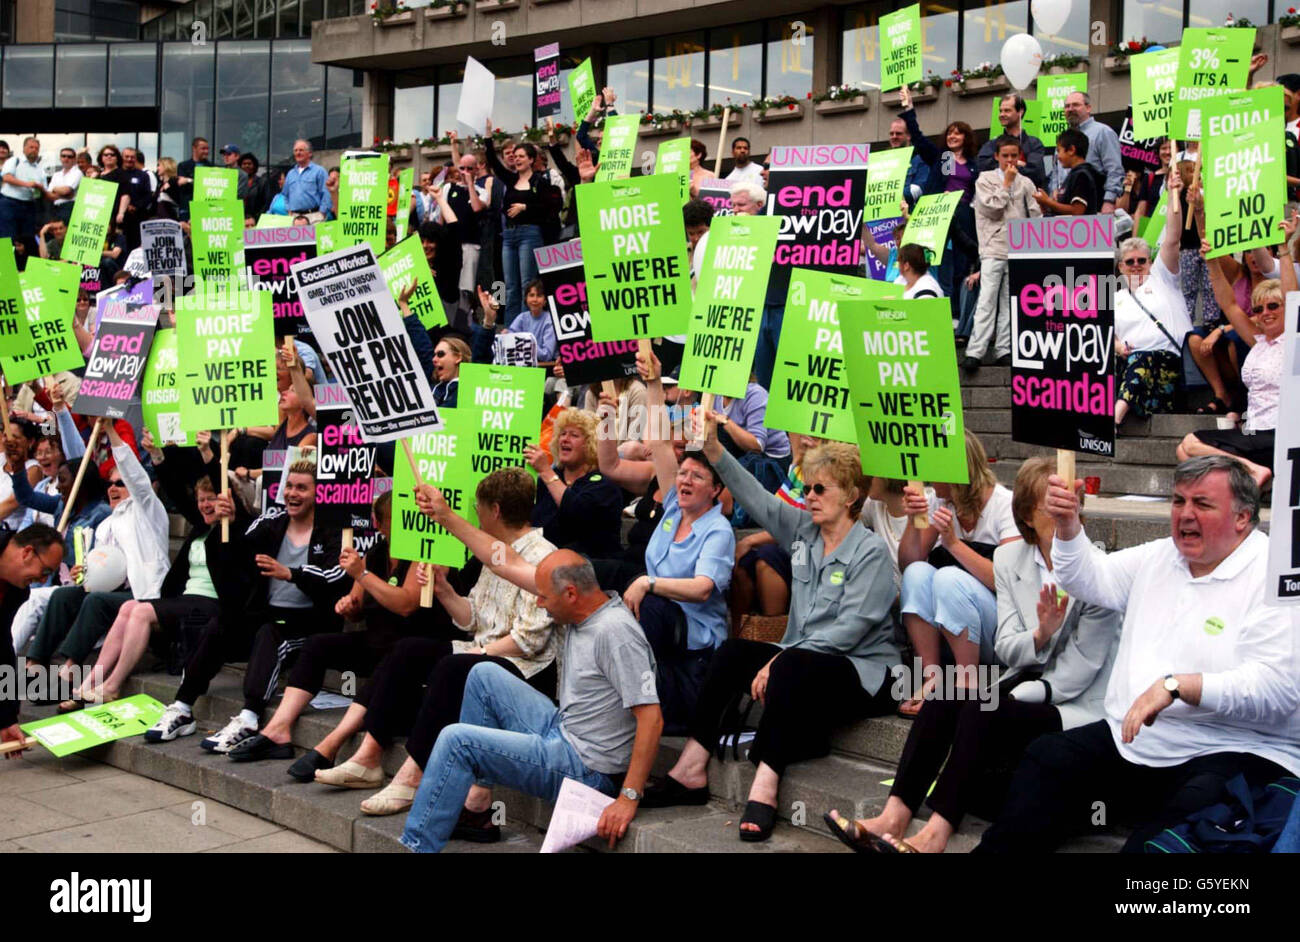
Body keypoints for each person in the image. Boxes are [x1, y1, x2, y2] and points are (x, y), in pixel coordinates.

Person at [975, 457, 1300, 853]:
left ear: (1243, 518)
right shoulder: (1160, 556)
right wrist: (1067, 527)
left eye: (1202, 503)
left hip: (1231, 749)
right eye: (1179, 501)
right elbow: (1087, 579)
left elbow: (1278, 689)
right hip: (1137, 740)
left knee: (1162, 840)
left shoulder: (1273, 577)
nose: (1185, 514)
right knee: (1047, 759)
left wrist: (1179, 686)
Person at [827, 458, 1122, 853]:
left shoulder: (1100, 572)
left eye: (1066, 502)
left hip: (1075, 703)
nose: (1061, 510)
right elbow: (1006, 645)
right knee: (946, 694)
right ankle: (893, 816)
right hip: (1025, 678)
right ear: (1028, 518)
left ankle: (935, 835)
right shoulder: (1010, 560)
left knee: (984, 708)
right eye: (1047, 505)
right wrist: (1040, 633)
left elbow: (1077, 673)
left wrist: (1010, 693)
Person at [643, 409, 901, 842]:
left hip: (865, 671)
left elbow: (850, 631)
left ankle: (766, 780)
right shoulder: (803, 530)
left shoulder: (870, 552)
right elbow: (757, 497)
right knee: (732, 654)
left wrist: (783, 656)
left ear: (852, 495)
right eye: (808, 487)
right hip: (800, 661)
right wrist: (714, 449)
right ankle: (692, 765)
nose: (811, 495)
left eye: (821, 489)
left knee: (791, 667)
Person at [395, 502, 661, 853]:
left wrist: (628, 797)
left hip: (586, 767)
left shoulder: (616, 633)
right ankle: (476, 809)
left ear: (570, 593)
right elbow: (505, 561)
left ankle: (416, 847)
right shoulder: (580, 603)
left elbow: (652, 718)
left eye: (542, 597)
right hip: (563, 728)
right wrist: (445, 516)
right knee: (483, 674)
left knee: (456, 740)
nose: (538, 604)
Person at [315, 469, 558, 818]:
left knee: (453, 667)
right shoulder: (494, 553)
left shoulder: (541, 555)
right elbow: (473, 618)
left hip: (525, 666)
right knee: (408, 649)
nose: (475, 515)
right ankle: (368, 756)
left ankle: (413, 774)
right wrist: (444, 589)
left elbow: (529, 641)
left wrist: (480, 653)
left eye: (478, 508)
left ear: (495, 511)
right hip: (489, 651)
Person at [223, 491, 430, 763]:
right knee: (318, 644)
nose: (402, 523)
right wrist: (349, 606)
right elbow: (356, 610)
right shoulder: (375, 553)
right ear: (378, 523)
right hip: (373, 642)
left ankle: (332, 746)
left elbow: (405, 604)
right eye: (395, 519)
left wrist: (362, 575)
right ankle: (279, 728)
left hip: (407, 650)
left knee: (391, 660)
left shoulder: (421, 555)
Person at [159, 458, 349, 753]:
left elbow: (336, 576)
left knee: (271, 633)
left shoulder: (332, 530)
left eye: (302, 488)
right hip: (270, 614)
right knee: (222, 624)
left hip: (310, 623)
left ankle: (249, 718)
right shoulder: (271, 522)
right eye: (289, 486)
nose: (292, 493)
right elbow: (239, 548)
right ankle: (183, 707)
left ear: (318, 494)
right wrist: (230, 522)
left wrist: (291, 573)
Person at [76, 442, 247, 709]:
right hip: (186, 599)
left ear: (225, 499)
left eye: (211, 498)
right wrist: (157, 455)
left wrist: (207, 453)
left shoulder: (234, 529)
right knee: (129, 607)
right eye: (201, 500)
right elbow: (176, 494)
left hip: (213, 603)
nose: (204, 505)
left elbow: (224, 490)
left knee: (141, 612)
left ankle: (112, 685)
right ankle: (91, 681)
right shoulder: (200, 529)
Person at [617, 356, 734, 731]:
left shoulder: (718, 530)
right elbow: (661, 444)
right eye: (683, 473)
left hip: (693, 642)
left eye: (697, 477)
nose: (684, 480)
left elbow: (701, 590)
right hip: (660, 635)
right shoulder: (671, 507)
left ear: (716, 490)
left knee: (647, 600)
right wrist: (653, 384)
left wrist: (648, 582)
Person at [29, 424, 170, 697]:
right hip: (110, 591)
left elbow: (137, 479)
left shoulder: (149, 512)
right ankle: (34, 665)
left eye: (120, 483)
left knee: (95, 601)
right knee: (64, 596)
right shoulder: (105, 524)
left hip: (143, 594)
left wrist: (112, 434)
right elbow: (105, 566)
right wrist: (87, 572)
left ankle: (69, 668)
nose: (114, 489)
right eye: (111, 484)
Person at [895, 430, 1021, 716]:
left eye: (935, 468)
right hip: (956, 625)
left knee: (948, 577)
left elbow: (1008, 583)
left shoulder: (1004, 506)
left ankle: (967, 682)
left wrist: (953, 544)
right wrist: (914, 522)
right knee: (917, 572)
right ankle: (932, 676)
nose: (928, 476)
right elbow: (909, 562)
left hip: (1002, 630)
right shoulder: (942, 500)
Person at [1177, 242, 1291, 489]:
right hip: (1253, 431)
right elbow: (1228, 304)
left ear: (1287, 309)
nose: (1265, 313)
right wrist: (1211, 261)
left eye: (1273, 306)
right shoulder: (1258, 340)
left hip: (1281, 433)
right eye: (1259, 309)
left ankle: (1253, 473)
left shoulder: (1294, 343)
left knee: (1192, 442)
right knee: (1184, 453)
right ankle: (1250, 479)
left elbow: (1292, 296)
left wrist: (1283, 248)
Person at [1112, 173, 1191, 426]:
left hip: (1167, 363)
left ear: (1150, 262)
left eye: (1141, 260)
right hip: (1132, 369)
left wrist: (1173, 193)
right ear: (1121, 267)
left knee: (1141, 359)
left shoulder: (1162, 278)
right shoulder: (1115, 297)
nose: (1136, 266)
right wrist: (1118, 348)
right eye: (1130, 262)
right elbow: (1106, 335)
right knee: (1131, 362)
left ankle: (1114, 418)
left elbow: (1172, 238)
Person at [897, 85, 981, 309]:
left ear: (966, 137)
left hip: (963, 216)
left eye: (958, 132)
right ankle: (936, 307)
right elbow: (918, 137)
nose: (953, 136)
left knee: (962, 265)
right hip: (938, 216)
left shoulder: (975, 166)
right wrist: (909, 107)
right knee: (938, 262)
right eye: (950, 132)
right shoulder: (942, 159)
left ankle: (956, 314)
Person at [965, 135, 1043, 372]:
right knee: (987, 299)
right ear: (997, 156)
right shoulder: (985, 180)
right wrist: (1006, 184)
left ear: (1019, 157)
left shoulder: (1026, 183)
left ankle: (1004, 348)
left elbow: (1035, 216)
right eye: (1005, 155)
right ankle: (975, 351)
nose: (1010, 160)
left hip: (1018, 249)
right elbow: (991, 208)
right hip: (993, 247)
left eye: (1014, 155)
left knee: (1010, 302)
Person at [525, 407, 624, 560]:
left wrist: (546, 471)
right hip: (543, 558)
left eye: (574, 435)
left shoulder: (604, 485)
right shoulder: (550, 478)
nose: (565, 439)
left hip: (588, 566)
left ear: (592, 443)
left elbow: (576, 513)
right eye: (563, 433)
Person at [0, 524, 66, 757]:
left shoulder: (17, 591)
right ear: (27, 553)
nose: (41, 580)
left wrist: (6, 720)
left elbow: (3, 649)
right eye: (45, 571)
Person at [484, 134, 559, 319]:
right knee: (510, 286)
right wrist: (487, 137)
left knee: (527, 284)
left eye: (521, 156)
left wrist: (525, 207)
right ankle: (511, 328)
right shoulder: (510, 180)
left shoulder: (540, 182)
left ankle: (527, 327)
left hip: (530, 234)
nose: (516, 159)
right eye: (515, 156)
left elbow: (550, 207)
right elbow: (493, 162)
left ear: (531, 159)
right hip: (509, 236)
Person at [1061, 90, 1123, 214]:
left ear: (1088, 108)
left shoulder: (1103, 132)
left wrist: (1109, 201)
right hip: (1067, 208)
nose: (1070, 109)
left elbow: (1114, 169)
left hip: (1095, 206)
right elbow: (1058, 173)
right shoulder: (1064, 138)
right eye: (1067, 106)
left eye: (1076, 105)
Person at [975, 93, 1048, 189]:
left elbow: (1035, 173)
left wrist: (1002, 165)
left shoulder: (1034, 143)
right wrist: (1018, 163)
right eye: (1000, 111)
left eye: (1007, 111)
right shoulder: (992, 144)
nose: (1002, 114)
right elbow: (982, 168)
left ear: (1020, 112)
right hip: (998, 198)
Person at [1033, 128, 1103, 217]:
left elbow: (1077, 211)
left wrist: (1048, 201)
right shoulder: (1074, 174)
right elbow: (1064, 209)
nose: (1057, 156)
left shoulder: (1082, 175)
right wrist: (1046, 205)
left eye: (1059, 151)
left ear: (1071, 150)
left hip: (1080, 230)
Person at [0, 136, 46, 248]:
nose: (34, 150)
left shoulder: (40, 169)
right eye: (31, 147)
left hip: (29, 206)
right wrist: (28, 184)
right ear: (24, 148)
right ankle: (5, 265)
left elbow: (45, 190)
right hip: (10, 204)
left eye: (36, 148)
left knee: (27, 239)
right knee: (7, 238)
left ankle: (23, 264)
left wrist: (41, 188)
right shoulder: (14, 160)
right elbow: (6, 177)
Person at [281, 139, 331, 222]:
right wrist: (289, 210)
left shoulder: (319, 171)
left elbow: (326, 193)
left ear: (310, 153)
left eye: (301, 150)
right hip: (295, 218)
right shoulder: (291, 173)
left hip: (314, 216)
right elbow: (285, 195)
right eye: (296, 150)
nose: (298, 153)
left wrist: (322, 212)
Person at [175, 137, 212, 221]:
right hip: (187, 207)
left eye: (207, 149)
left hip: (205, 208)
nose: (206, 151)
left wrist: (189, 180)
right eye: (203, 149)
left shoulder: (212, 167)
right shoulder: (183, 166)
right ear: (194, 148)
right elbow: (181, 182)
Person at [430, 335, 471, 408]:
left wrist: (487, 328)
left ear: (458, 357)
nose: (434, 359)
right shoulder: (430, 388)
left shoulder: (468, 390)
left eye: (440, 354)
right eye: (434, 355)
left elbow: (481, 356)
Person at [45, 146, 82, 225]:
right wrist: (66, 195)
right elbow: (49, 195)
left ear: (74, 159)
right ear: (60, 158)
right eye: (63, 156)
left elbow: (66, 190)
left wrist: (54, 188)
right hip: (54, 209)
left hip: (69, 208)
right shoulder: (56, 175)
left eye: (70, 156)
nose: (66, 158)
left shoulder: (77, 173)